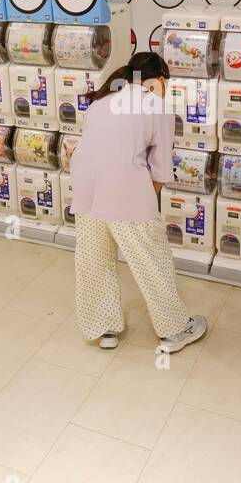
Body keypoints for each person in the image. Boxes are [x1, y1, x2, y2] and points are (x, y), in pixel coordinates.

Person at [70, 51, 206, 354]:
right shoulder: (156, 106)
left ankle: (103, 329)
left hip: (84, 185)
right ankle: (174, 330)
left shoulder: (102, 101)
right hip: (123, 188)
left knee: (94, 259)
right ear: (159, 80)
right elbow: (159, 169)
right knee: (151, 260)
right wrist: (145, 202)